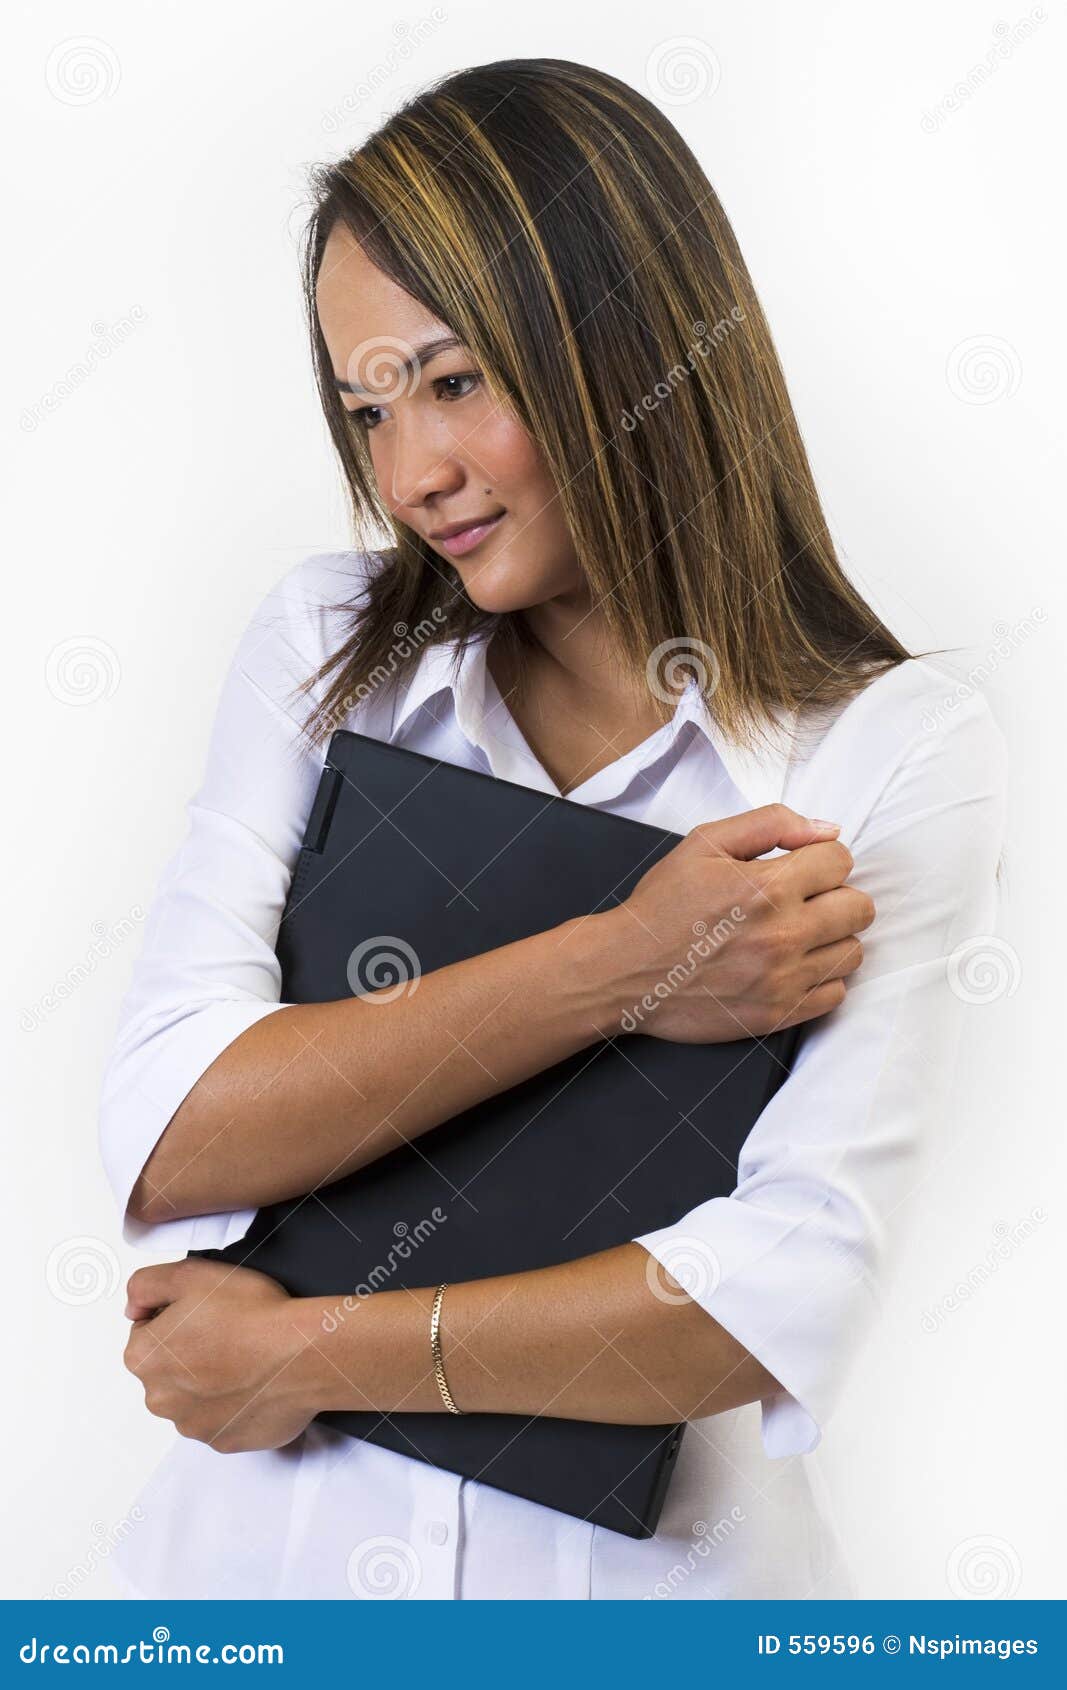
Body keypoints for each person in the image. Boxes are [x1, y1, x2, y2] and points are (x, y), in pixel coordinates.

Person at [98, 58, 1006, 1600]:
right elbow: (174, 1132)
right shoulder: (328, 652)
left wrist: (302, 1350)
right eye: (367, 407)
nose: (410, 475)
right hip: (265, 1596)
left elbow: (769, 1298)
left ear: (627, 343)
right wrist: (620, 969)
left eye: (454, 383)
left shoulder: (890, 749)